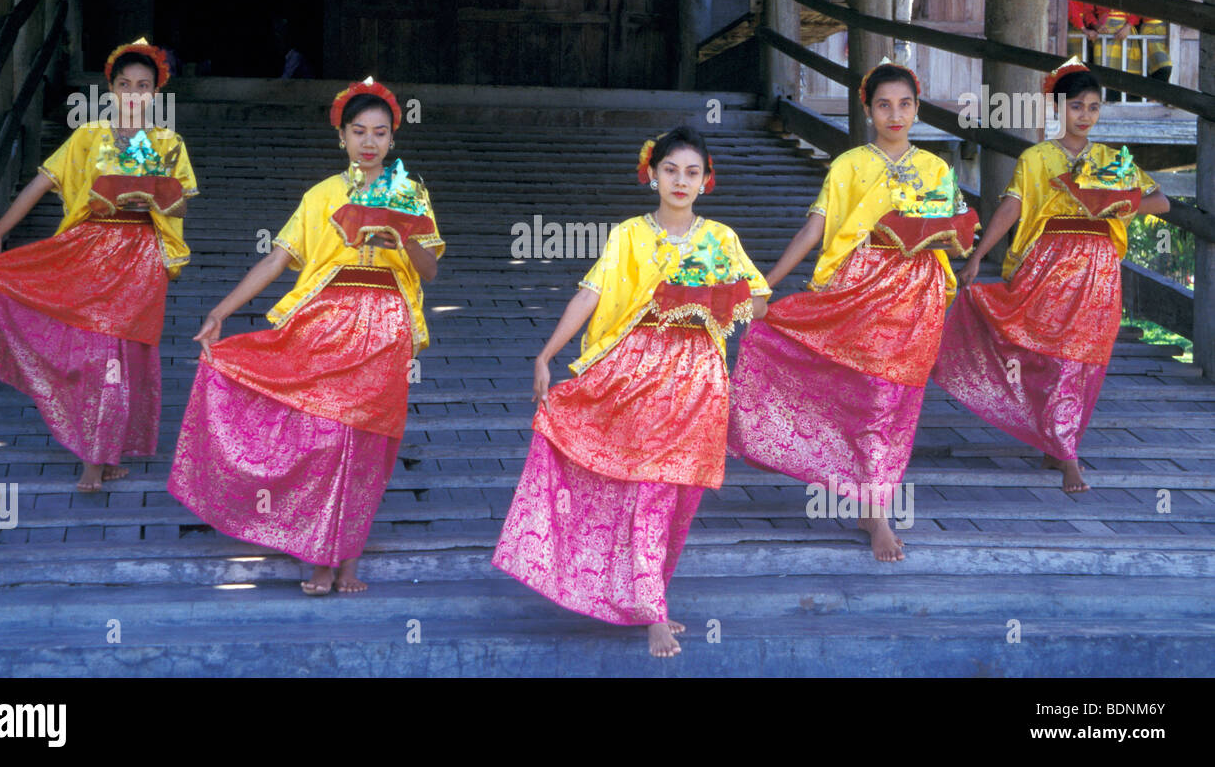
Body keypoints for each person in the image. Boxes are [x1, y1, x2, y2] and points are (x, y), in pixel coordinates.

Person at [492, 127, 770, 658]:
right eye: (671, 170)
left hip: (702, 382)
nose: (681, 181)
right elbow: (591, 293)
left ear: (706, 180)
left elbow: (758, 303)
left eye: (692, 172)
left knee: (680, 495)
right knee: (650, 488)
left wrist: (715, 291)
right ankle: (652, 612)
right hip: (639, 375)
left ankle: (649, 594)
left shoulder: (722, 238)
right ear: (653, 174)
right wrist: (547, 354)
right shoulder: (628, 236)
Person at [168, 78, 442, 595]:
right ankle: (321, 554)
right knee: (325, 440)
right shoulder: (321, 195)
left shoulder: (411, 191)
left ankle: (348, 559)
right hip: (326, 324)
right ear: (341, 137)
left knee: (367, 446)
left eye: (379, 133)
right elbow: (278, 259)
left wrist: (401, 237)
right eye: (358, 131)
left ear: (392, 139)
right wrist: (221, 311)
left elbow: (429, 270)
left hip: (387, 328)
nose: (369, 142)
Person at [728, 62, 975, 563]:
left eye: (905, 104)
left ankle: (871, 502)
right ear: (867, 110)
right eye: (884, 104)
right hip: (861, 291)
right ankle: (877, 511)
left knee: (897, 399)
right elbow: (814, 230)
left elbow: (956, 234)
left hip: (919, 296)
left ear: (917, 107)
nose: (895, 114)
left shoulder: (936, 169)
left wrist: (952, 233)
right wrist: (764, 285)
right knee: (871, 395)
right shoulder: (849, 166)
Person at [931, 59, 1169, 493]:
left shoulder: (1114, 161)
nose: (1085, 115)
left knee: (1082, 360)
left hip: (1099, 269)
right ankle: (1059, 444)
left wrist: (1118, 203)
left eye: (1094, 107)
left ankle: (1063, 447)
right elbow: (1011, 209)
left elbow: (1161, 202)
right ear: (1059, 108)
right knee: (1048, 356)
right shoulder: (1037, 157)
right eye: (1077, 106)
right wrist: (976, 258)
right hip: (1049, 266)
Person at [0, 38, 196, 492]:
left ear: (155, 94)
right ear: (111, 89)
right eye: (124, 85)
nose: (134, 94)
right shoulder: (86, 136)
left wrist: (152, 196)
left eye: (143, 86)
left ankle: (101, 454)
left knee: (121, 357)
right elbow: (42, 183)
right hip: (90, 251)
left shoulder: (169, 144)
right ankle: (97, 455)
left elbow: (179, 209)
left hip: (140, 258)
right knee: (96, 357)